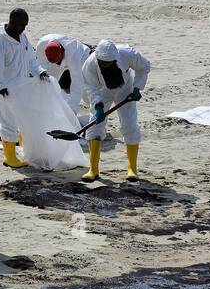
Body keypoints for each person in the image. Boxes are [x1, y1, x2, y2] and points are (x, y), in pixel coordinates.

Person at [80, 39, 149, 182]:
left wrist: (137, 87)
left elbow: (144, 66)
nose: (106, 65)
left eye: (109, 63)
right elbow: (91, 89)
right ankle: (93, 169)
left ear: (115, 58)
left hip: (126, 90)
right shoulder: (89, 64)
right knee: (95, 126)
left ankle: (132, 169)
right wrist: (98, 107)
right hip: (102, 92)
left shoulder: (127, 53)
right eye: (103, 63)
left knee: (129, 125)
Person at [0, 8, 47, 168]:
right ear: (12, 22)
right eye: (22, 25)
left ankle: (21, 150)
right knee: (8, 121)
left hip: (21, 86)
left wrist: (39, 71)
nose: (24, 28)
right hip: (5, 89)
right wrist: (0, 86)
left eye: (25, 25)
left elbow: (30, 59)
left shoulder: (22, 37)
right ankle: (9, 157)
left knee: (23, 119)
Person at [35, 34, 93, 114]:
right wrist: (43, 73)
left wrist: (72, 111)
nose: (58, 63)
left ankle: (95, 109)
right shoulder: (41, 45)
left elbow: (77, 83)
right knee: (48, 82)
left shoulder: (74, 56)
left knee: (85, 92)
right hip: (54, 59)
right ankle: (48, 107)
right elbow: (41, 66)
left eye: (58, 61)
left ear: (62, 53)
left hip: (82, 57)